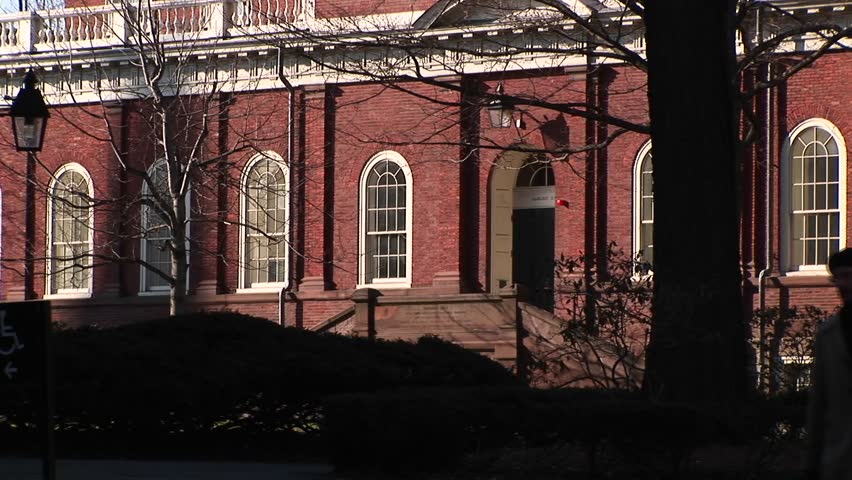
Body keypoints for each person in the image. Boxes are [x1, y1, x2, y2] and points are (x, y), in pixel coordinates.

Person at [807, 247, 852, 480]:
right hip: (840, 462)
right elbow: (819, 403)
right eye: (840, 277)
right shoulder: (827, 334)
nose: (844, 284)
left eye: (850, 276)